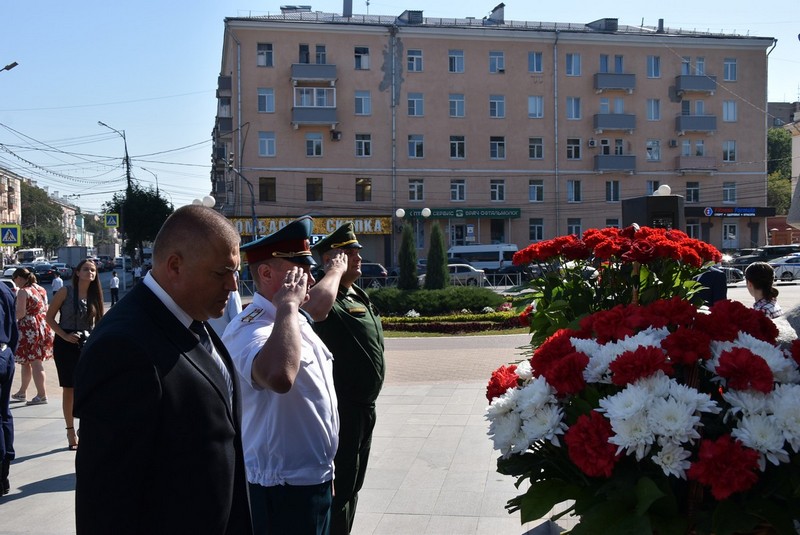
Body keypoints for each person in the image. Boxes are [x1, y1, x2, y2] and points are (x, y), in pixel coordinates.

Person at [73, 205, 252, 535]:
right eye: (221, 273)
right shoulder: (124, 347)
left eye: (236, 272)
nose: (233, 286)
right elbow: (106, 504)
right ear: (175, 266)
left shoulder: (191, 319)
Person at [223, 216, 338, 535]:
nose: (312, 280)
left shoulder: (295, 320)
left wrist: (325, 465)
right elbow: (279, 375)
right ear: (266, 272)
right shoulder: (250, 328)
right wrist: (287, 305)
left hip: (313, 479)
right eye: (303, 271)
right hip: (281, 489)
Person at [304, 222, 386, 535]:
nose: (358, 256)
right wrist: (332, 273)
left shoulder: (358, 295)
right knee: (339, 488)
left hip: (364, 409)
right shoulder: (327, 296)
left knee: (353, 485)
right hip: (343, 410)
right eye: (349, 252)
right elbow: (312, 309)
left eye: (357, 251)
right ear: (331, 260)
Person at [45, 259, 104, 450]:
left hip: (88, 344)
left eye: (93, 270)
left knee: (89, 387)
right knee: (69, 388)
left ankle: (86, 428)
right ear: (77, 273)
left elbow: (101, 322)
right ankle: (70, 431)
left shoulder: (95, 294)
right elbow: (49, 317)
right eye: (86, 269)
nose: (90, 273)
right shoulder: (66, 291)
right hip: (65, 344)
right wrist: (63, 335)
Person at [10, 268, 54, 407]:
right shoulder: (40, 288)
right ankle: (22, 392)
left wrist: (9, 321)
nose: (15, 283)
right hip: (41, 325)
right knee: (27, 361)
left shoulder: (23, 291)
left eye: (15, 280)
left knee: (34, 362)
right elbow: (45, 307)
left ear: (19, 278)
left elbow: (20, 313)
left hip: (28, 328)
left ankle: (42, 394)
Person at [0, 279, 19, 496]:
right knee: (4, 413)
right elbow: (14, 330)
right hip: (5, 354)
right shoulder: (5, 288)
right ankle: (3, 473)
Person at [208, 271, 242, 338]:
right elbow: (237, 321)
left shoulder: (199, 290)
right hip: (226, 342)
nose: (234, 286)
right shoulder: (230, 292)